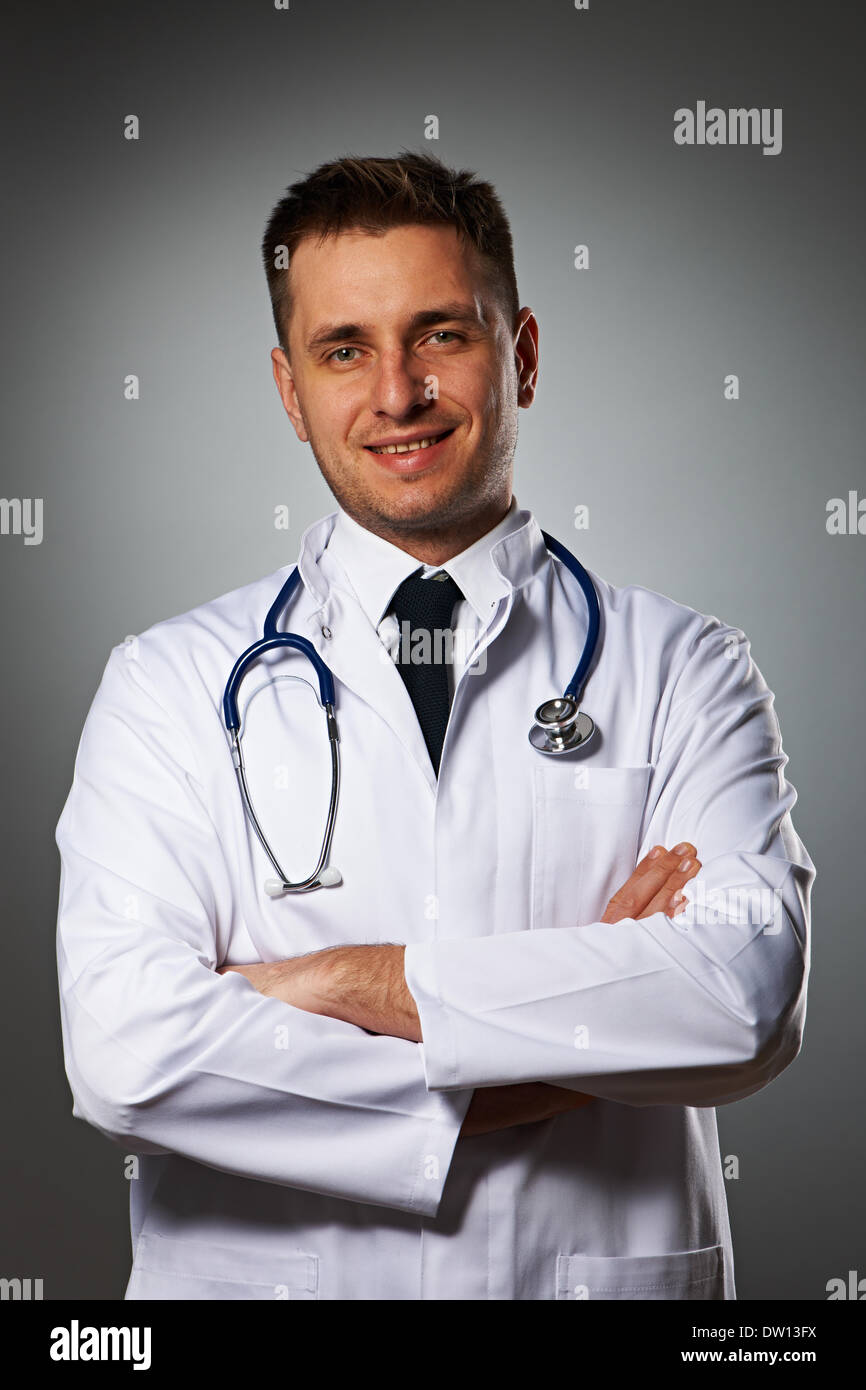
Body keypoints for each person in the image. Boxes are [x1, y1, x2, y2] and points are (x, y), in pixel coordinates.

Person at [55, 150, 814, 1301]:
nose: (396, 392)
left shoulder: (684, 668)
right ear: (288, 390)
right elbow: (126, 1054)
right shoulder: (165, 684)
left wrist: (335, 981)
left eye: (440, 335)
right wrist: (578, 1047)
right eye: (343, 350)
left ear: (522, 355)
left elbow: (739, 998)